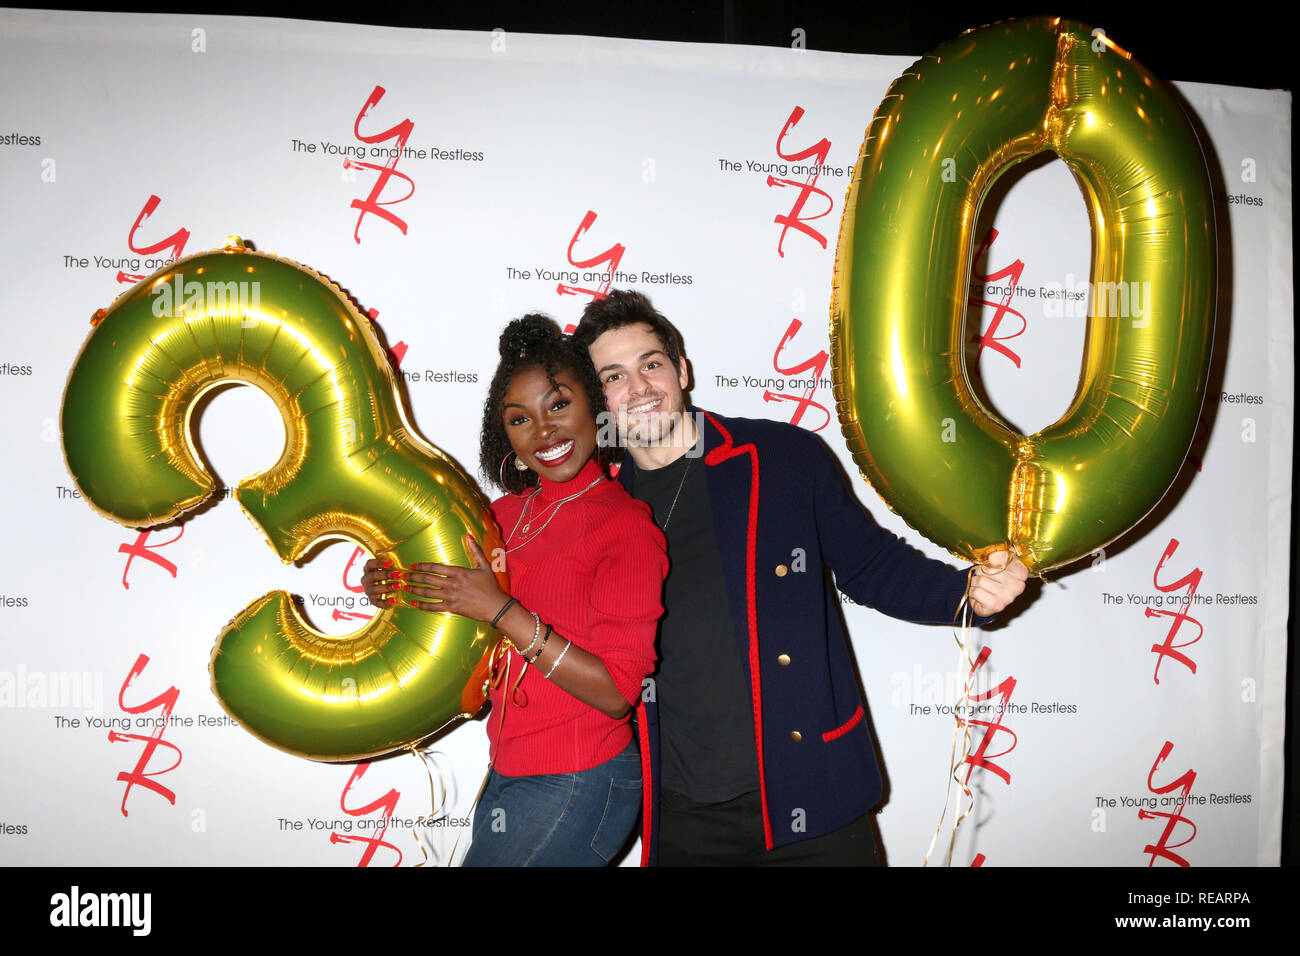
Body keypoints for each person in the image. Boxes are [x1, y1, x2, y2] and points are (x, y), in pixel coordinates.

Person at [571, 290, 1029, 866]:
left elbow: (870, 566)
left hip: (811, 797)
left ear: (681, 370)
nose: (638, 388)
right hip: (679, 813)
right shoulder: (598, 507)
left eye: (651, 364)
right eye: (613, 376)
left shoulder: (781, 457)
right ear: (599, 399)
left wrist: (966, 595)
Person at [362, 315, 667, 866]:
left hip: (581, 779)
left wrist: (501, 610)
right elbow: (454, 595)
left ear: (595, 407)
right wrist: (394, 585)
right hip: (505, 771)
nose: (543, 431)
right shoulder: (502, 514)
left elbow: (618, 691)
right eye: (519, 419)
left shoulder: (626, 527)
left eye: (558, 405)